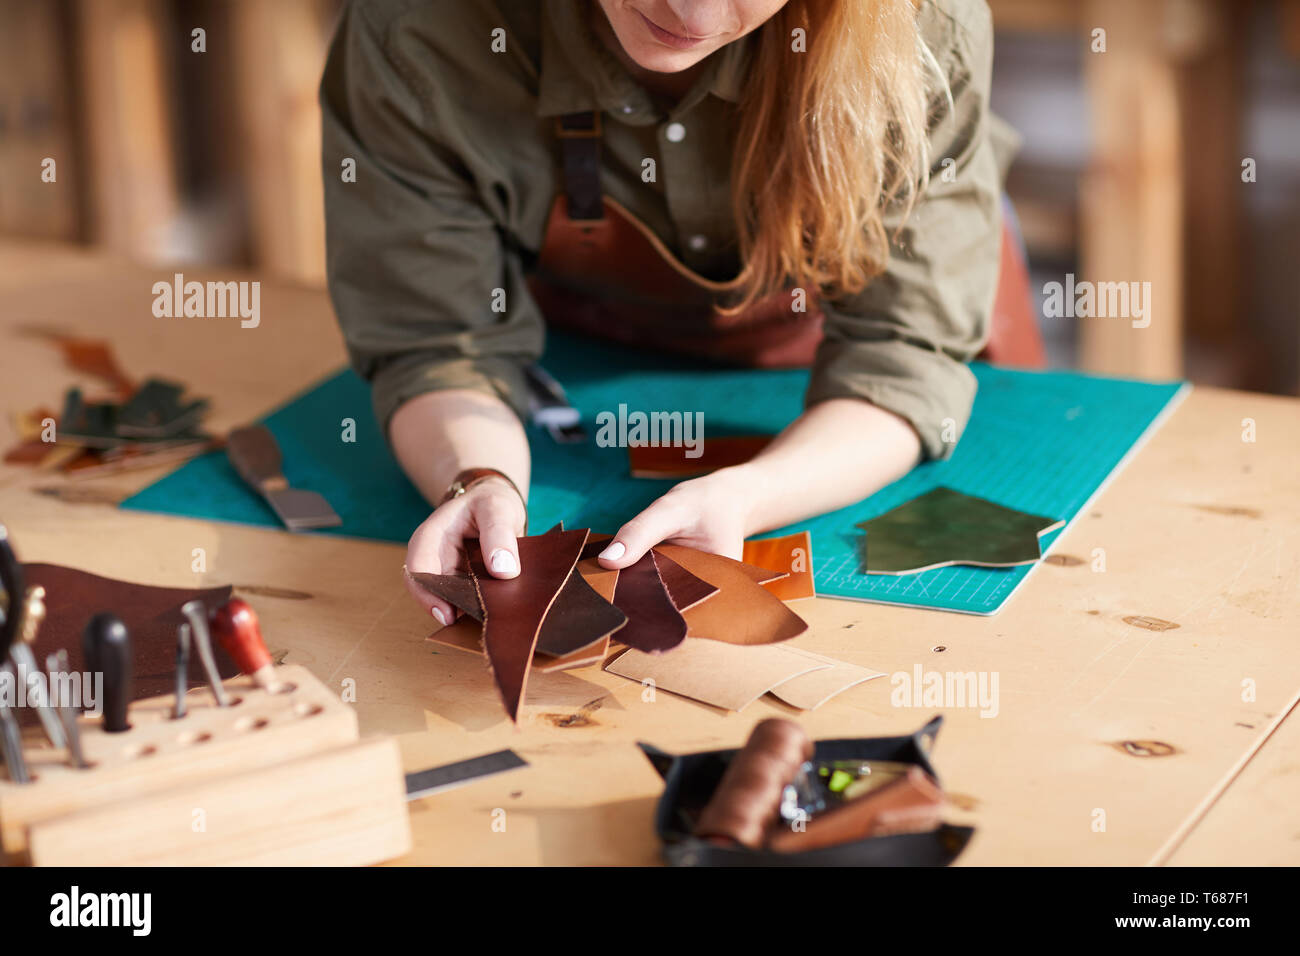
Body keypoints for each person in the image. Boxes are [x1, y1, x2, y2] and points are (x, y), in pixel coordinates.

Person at [320, 0, 1004, 623]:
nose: (692, 15)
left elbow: (902, 357)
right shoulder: (419, 25)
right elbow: (438, 339)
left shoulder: (921, 23)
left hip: (812, 351)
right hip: (577, 343)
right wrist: (475, 478)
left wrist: (751, 495)